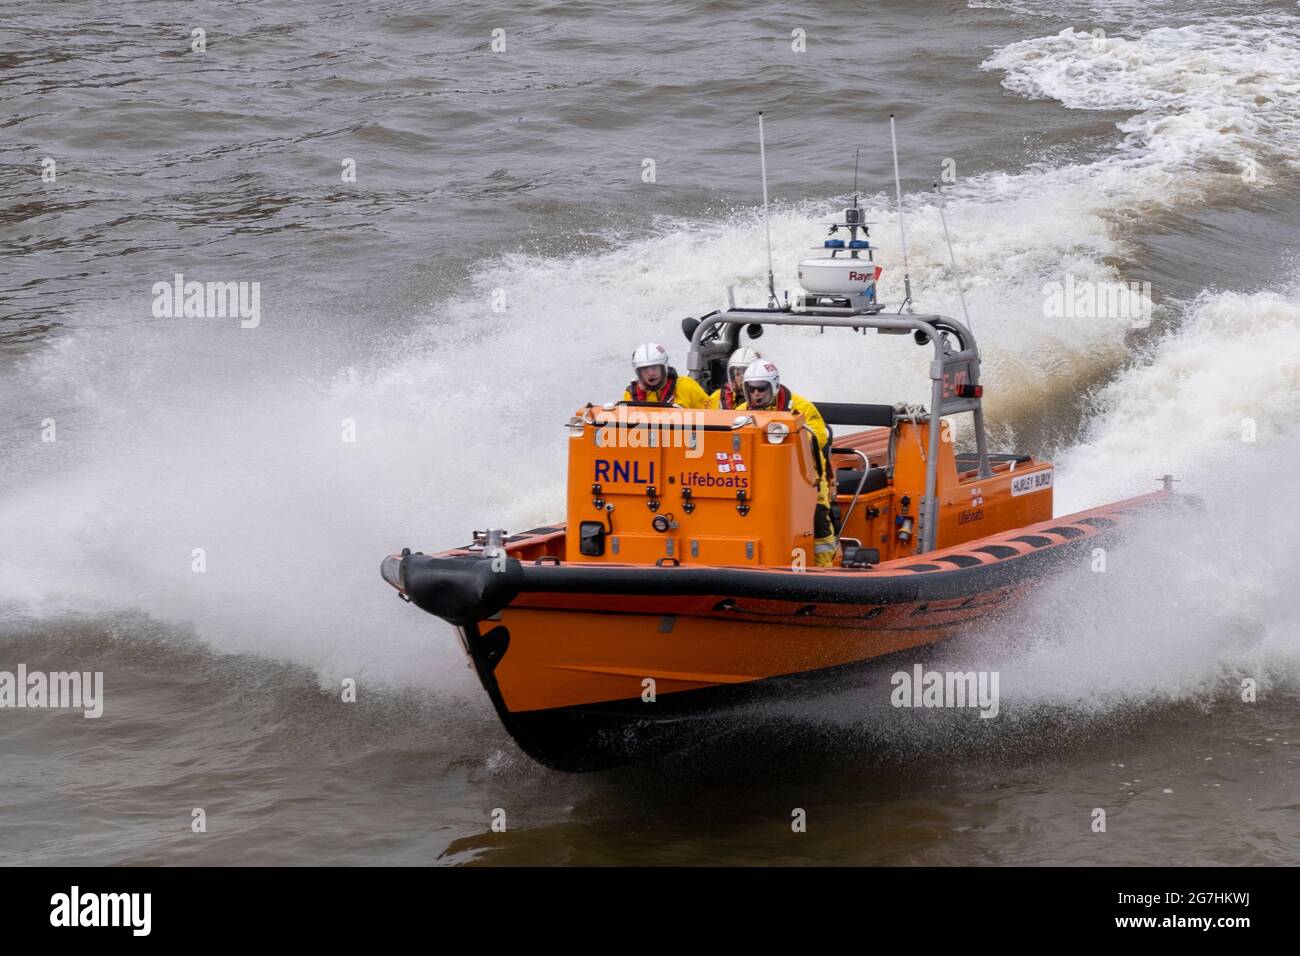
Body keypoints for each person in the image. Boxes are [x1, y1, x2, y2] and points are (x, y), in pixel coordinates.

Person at [737, 359, 836, 567]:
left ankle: (823, 567)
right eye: (751, 389)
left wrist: (788, 434)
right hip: (760, 480)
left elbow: (819, 435)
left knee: (819, 523)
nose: (756, 394)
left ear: (773, 386)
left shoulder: (800, 407)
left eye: (761, 389)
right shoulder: (740, 413)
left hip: (806, 477)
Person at [623, 342, 709, 408]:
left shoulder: (686, 386)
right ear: (639, 372)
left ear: (664, 368)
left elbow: (711, 412)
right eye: (645, 369)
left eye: (655, 367)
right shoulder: (630, 395)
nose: (651, 373)